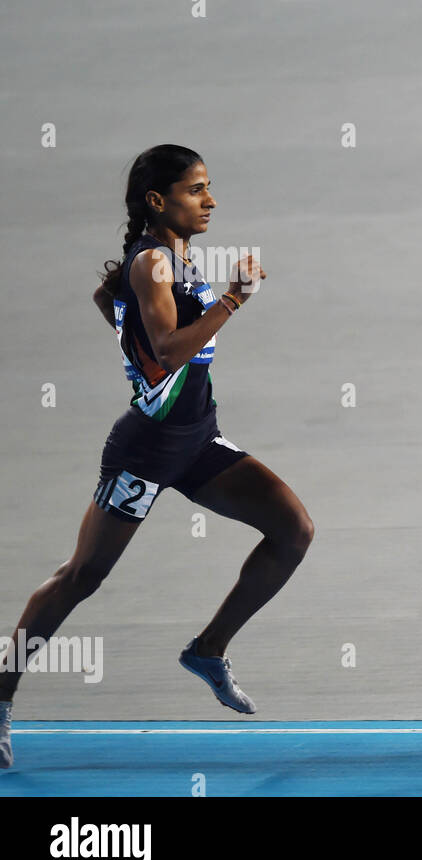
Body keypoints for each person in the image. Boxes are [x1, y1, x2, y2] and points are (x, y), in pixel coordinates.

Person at [0, 145, 313, 769]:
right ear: (157, 200)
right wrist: (233, 301)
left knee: (292, 529)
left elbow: (109, 302)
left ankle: (208, 648)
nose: (210, 200)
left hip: (198, 441)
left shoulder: (169, 257)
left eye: (208, 187)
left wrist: (133, 343)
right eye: (196, 189)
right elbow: (169, 350)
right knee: (80, 578)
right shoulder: (153, 265)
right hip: (145, 452)